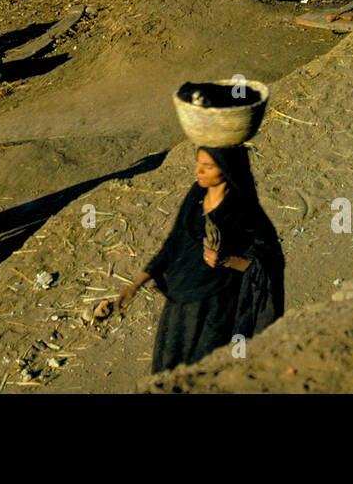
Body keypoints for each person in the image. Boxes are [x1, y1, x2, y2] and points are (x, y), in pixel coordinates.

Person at [115, 145, 284, 373]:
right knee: (168, 373)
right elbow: (172, 244)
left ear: (227, 169)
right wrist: (134, 286)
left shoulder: (242, 208)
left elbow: (268, 262)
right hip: (179, 304)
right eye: (198, 163)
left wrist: (227, 260)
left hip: (214, 309)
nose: (198, 171)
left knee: (201, 374)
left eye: (208, 166)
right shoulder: (196, 194)